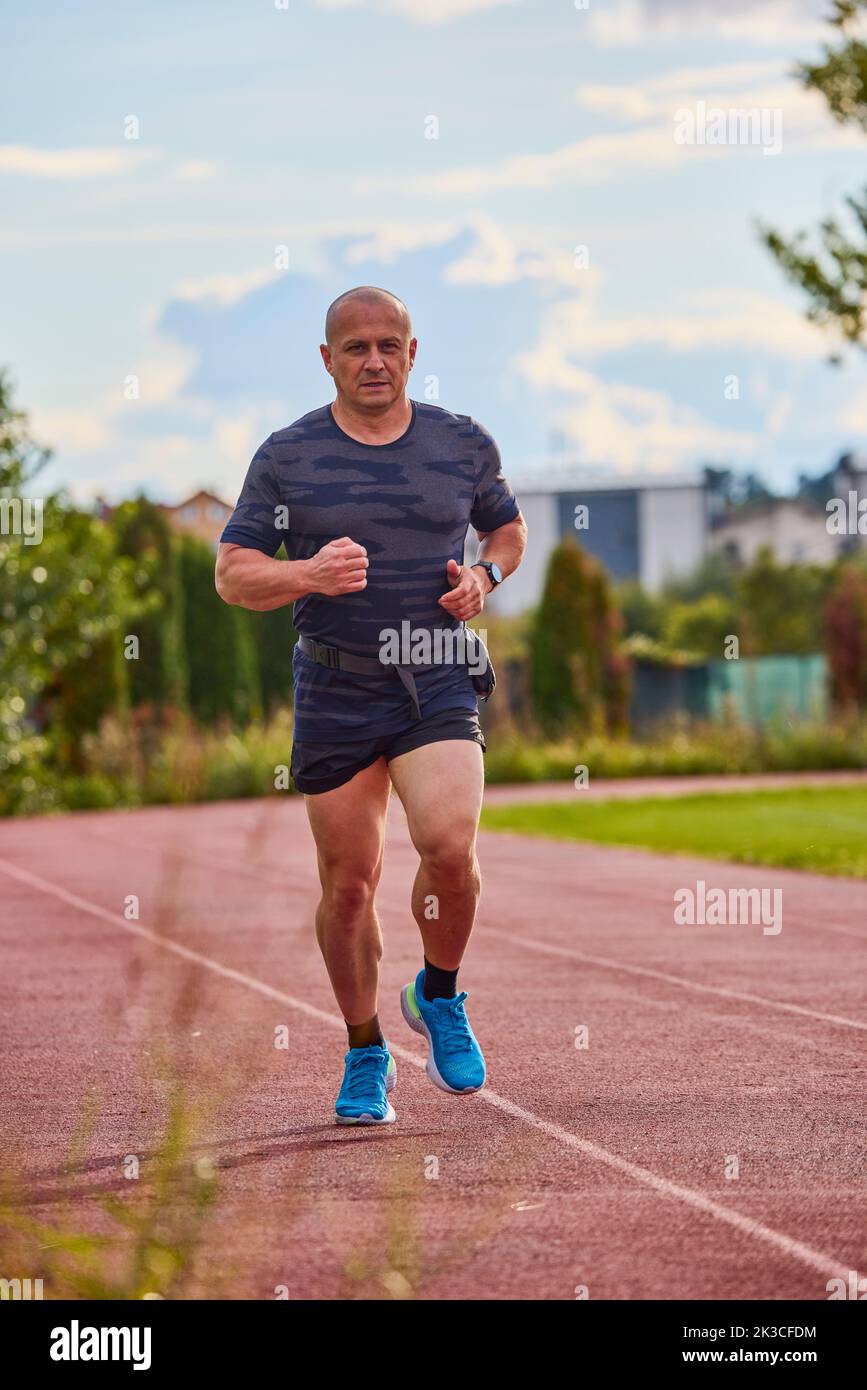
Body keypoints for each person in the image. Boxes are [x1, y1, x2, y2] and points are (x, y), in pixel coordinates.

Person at [215, 285, 527, 1125]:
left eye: (389, 344)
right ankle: (364, 1050)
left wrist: (483, 577)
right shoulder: (288, 455)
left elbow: (507, 531)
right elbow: (232, 571)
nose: (375, 360)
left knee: (449, 847)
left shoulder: (461, 444)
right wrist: (306, 575)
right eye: (355, 348)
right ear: (327, 360)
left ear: (413, 353)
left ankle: (439, 994)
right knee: (349, 887)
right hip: (335, 681)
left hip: (433, 671)